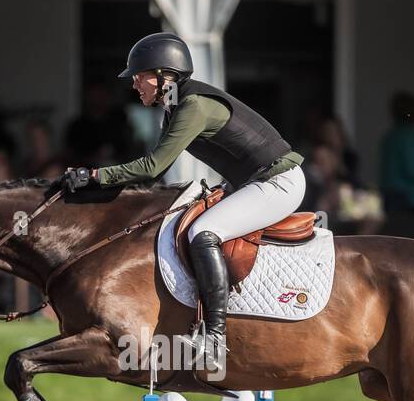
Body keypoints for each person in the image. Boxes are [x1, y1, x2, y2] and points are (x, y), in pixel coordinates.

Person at [58, 32, 305, 372]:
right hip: (254, 182)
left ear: (163, 75)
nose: (134, 85)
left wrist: (94, 176)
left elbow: (153, 166)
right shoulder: (174, 106)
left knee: (203, 232)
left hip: (279, 182)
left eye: (139, 77)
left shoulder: (192, 106)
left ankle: (213, 338)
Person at [379, 91, 414, 215]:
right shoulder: (408, 135)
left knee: (393, 231)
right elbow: (413, 170)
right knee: (407, 232)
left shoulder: (390, 135)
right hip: (406, 198)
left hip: (389, 195)